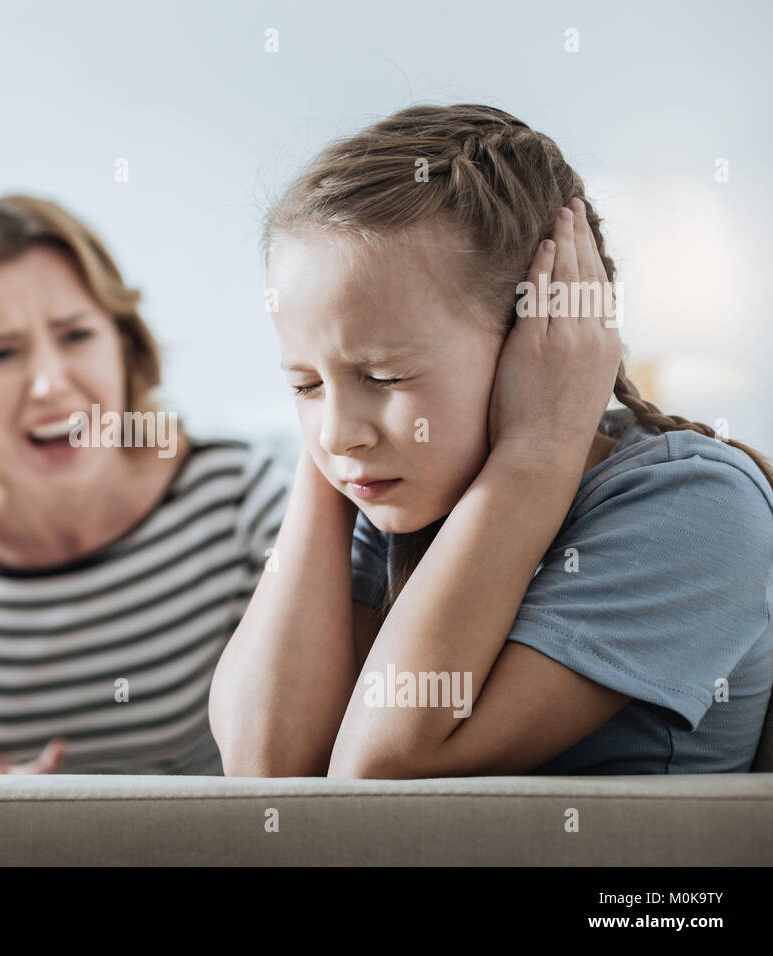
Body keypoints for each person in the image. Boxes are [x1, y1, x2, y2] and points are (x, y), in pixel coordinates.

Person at [210, 104, 773, 777]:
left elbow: (377, 773)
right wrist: (327, 455)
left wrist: (539, 443)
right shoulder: (401, 493)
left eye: (384, 375)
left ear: (540, 343)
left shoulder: (692, 503)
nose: (338, 432)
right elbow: (262, 769)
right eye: (304, 385)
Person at [0, 195, 287, 774]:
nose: (48, 385)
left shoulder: (240, 499)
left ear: (123, 344)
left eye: (76, 335)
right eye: (1, 353)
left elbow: (301, 770)